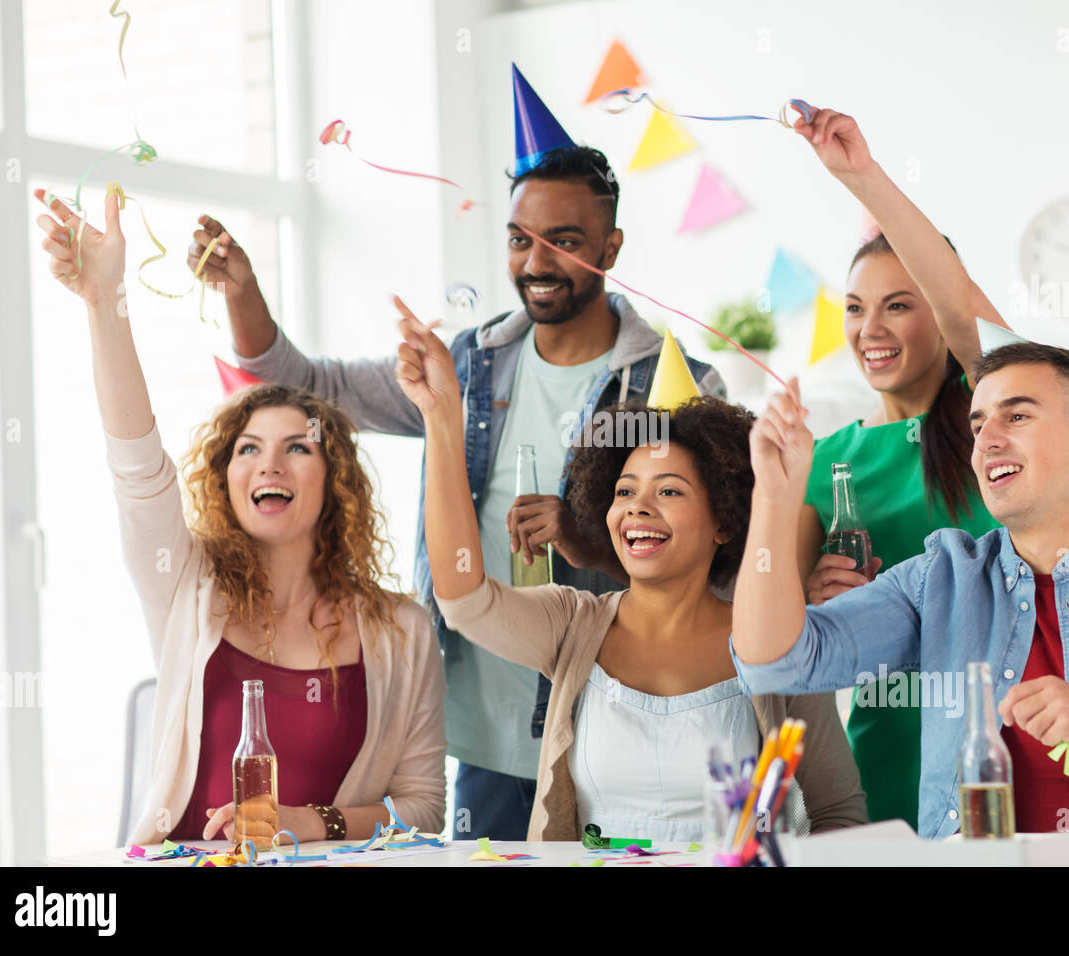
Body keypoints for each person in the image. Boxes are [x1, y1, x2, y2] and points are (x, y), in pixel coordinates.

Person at [187, 145, 725, 839]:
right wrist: (242, 294)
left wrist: (581, 536)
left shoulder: (673, 385)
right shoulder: (469, 364)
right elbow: (311, 388)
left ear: (610, 247)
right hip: (483, 733)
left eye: (565, 242)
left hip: (616, 727)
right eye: (519, 240)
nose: (536, 264)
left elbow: (716, 561)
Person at [35, 188, 446, 846]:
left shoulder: (402, 630)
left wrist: (309, 822)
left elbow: (423, 808)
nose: (268, 466)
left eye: (296, 448)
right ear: (225, 479)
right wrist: (104, 302)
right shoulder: (185, 587)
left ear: (335, 479)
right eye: (248, 450)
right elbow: (137, 467)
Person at [734, 342, 1069, 843]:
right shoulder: (939, 578)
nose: (986, 439)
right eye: (979, 422)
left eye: (1016, 416)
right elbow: (776, 663)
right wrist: (774, 498)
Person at [390, 299, 865, 840]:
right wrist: (442, 417)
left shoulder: (778, 644)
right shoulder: (573, 625)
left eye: (669, 491)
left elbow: (837, 814)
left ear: (725, 522)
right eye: (624, 491)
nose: (638, 507)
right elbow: (462, 596)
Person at [789, 105, 1010, 831]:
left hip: (1004, 737)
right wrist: (816, 596)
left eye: (897, 306)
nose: (869, 330)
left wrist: (860, 177)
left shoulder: (993, 413)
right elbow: (776, 636)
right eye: (855, 309)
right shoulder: (826, 460)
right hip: (881, 750)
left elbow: (955, 297)